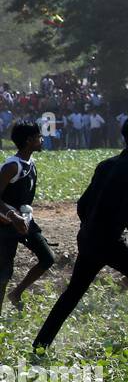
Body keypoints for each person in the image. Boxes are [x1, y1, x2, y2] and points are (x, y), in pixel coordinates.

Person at [33, 115, 128, 352]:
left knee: (73, 293)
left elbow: (82, 204)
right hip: (110, 243)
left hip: (89, 239)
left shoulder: (106, 165)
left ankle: (41, 343)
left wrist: (91, 228)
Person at [0, 121, 56, 315]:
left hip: (24, 223)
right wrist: (12, 216)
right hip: (6, 226)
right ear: (30, 140)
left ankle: (16, 294)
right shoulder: (12, 166)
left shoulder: (30, 164)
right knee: (3, 273)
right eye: (39, 137)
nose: (42, 140)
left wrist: (23, 218)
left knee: (48, 258)